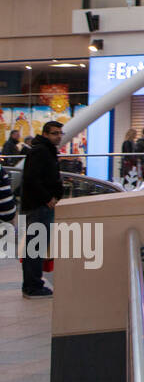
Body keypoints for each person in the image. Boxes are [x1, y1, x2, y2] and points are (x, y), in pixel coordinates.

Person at [21, 120, 65, 299]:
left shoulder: (45, 150)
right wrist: (48, 199)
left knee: (36, 246)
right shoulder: (41, 151)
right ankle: (33, 285)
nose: (58, 136)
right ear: (46, 134)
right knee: (35, 247)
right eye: (55, 133)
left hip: (39, 205)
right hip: (39, 206)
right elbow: (32, 179)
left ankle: (32, 284)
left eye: (60, 133)